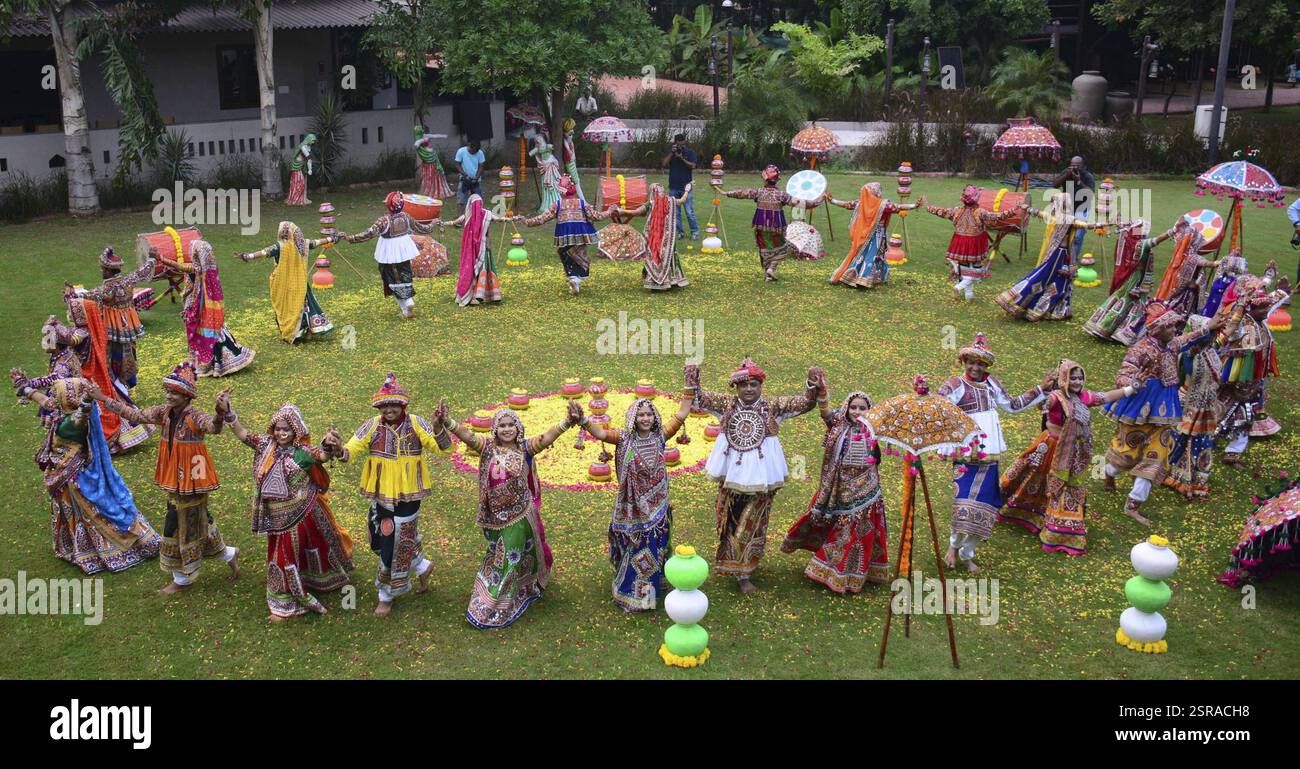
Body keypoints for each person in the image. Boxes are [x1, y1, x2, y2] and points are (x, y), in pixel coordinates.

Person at [91, 362, 240, 594]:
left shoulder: (194, 417)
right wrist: (103, 397)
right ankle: (227, 553)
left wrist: (220, 412)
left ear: (186, 396)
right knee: (198, 519)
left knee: (175, 524)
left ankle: (182, 579)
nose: (169, 396)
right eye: (168, 391)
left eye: (174, 393)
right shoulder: (164, 413)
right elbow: (135, 415)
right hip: (176, 478)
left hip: (194, 477)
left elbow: (213, 428)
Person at [434, 403, 582, 628]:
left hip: (520, 516)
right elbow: (468, 436)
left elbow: (546, 438)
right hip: (494, 520)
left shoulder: (525, 449)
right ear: (495, 429)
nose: (506, 429)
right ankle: (527, 586)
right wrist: (448, 422)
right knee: (499, 556)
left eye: (510, 424)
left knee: (509, 560)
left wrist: (567, 422)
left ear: (518, 427)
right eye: (501, 425)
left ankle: (495, 605)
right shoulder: (488, 448)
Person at [685, 357, 822, 593]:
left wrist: (812, 383)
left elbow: (805, 403)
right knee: (731, 520)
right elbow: (698, 398)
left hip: (762, 477)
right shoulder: (726, 404)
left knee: (755, 522)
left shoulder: (773, 406)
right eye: (744, 385)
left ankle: (745, 572)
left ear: (761, 387)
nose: (749, 389)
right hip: (732, 476)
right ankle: (734, 566)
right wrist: (691, 373)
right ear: (736, 387)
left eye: (754, 385)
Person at [321, 374, 449, 617]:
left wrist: (439, 427)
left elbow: (440, 447)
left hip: (409, 497)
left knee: (393, 542)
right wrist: (336, 448)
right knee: (379, 538)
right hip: (381, 495)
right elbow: (351, 449)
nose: (389, 410)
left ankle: (386, 594)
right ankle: (421, 565)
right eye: (384, 406)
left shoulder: (416, 424)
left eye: (394, 405)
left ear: (403, 406)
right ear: (379, 407)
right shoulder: (372, 425)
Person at [220, 397, 354, 621]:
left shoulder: (301, 452)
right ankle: (291, 595)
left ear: (295, 431)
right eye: (278, 429)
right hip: (276, 516)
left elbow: (321, 455)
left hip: (301, 513)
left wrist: (330, 445)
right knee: (286, 554)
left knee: (293, 554)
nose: (281, 434)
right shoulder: (265, 445)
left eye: (286, 430)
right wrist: (229, 413)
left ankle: (292, 598)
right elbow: (243, 434)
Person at [11, 376, 160, 574]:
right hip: (62, 473)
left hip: (75, 477)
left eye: (56, 395)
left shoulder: (74, 421)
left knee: (89, 514)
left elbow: (82, 413)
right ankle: (76, 547)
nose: (51, 398)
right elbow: (42, 400)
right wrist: (26, 388)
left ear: (67, 400)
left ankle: (100, 551)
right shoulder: (59, 411)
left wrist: (88, 400)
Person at [939, 332, 1054, 572]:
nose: (975, 367)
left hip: (990, 456)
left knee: (989, 503)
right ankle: (953, 545)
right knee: (965, 502)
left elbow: (1012, 405)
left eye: (980, 363)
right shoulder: (956, 385)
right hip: (967, 455)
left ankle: (967, 551)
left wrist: (1040, 389)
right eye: (971, 361)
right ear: (963, 362)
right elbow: (939, 406)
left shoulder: (992, 384)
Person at [999, 360, 1138, 555]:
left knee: (1066, 487)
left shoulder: (1083, 397)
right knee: (1032, 477)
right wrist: (1045, 395)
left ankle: (1060, 530)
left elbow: (1105, 397)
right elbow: (1044, 406)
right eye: (1072, 378)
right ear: (1064, 378)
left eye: (1080, 378)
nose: (1077, 381)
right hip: (1050, 447)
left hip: (1072, 452)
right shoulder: (1057, 397)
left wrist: (1131, 389)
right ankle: (1023, 512)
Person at [1102, 303, 1214, 523]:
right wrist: (1133, 382)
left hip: (1163, 412)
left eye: (1175, 326)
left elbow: (1189, 337)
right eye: (1170, 326)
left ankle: (1133, 504)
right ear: (1156, 329)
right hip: (1139, 408)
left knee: (1156, 456)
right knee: (1127, 454)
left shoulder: (1171, 345)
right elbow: (1123, 374)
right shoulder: (1140, 349)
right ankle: (1108, 472)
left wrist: (1213, 324)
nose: (1175, 330)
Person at [581, 395, 692, 610]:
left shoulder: (660, 437)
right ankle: (633, 596)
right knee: (639, 548)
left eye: (649, 414)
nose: (645, 418)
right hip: (633, 509)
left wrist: (689, 389)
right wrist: (583, 420)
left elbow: (680, 415)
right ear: (633, 418)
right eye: (640, 414)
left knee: (656, 547)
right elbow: (600, 433)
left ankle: (652, 591)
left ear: (655, 417)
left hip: (658, 507)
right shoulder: (624, 439)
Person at [780, 390, 890, 592]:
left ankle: (849, 574)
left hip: (867, 487)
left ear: (869, 410)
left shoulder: (873, 427)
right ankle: (836, 570)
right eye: (853, 407)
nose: (857, 411)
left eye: (862, 408)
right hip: (840, 487)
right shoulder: (838, 424)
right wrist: (821, 391)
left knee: (858, 530)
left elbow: (895, 433)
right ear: (847, 408)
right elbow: (825, 411)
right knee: (842, 528)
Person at [24, 292, 155, 453]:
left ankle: (96, 443)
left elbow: (68, 338)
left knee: (89, 408)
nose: (69, 314)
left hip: (85, 374)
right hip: (86, 372)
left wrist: (54, 325)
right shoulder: (88, 328)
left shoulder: (82, 332)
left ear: (80, 314)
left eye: (72, 311)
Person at [993, 191, 1104, 321]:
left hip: (1062, 255)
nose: (1053, 206)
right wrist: (1027, 208)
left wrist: (1027, 208)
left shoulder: (1062, 218)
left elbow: (1039, 213)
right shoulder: (1062, 217)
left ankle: (1043, 309)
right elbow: (1085, 225)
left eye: (1055, 203)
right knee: (1043, 278)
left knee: (1057, 282)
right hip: (1056, 255)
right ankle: (1026, 305)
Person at [1216, 272, 1289, 466]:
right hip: (1232, 377)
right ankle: (1209, 436)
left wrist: (1282, 292)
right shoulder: (1240, 323)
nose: (1267, 312)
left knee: (1246, 413)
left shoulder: (1260, 320)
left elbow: (1271, 303)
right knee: (1219, 406)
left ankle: (1232, 452)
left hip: (1253, 381)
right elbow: (1228, 333)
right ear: (1251, 309)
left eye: (1267, 308)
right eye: (1263, 309)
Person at [155, 240, 255, 378]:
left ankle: (210, 363)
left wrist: (161, 259)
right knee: (215, 331)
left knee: (203, 334)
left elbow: (180, 266)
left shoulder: (196, 268)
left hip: (198, 310)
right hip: (208, 309)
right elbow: (181, 269)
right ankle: (227, 359)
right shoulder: (209, 270)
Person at [1166, 314, 1238, 499]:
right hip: (1189, 404)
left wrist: (1242, 304)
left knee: (1202, 442)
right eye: (1211, 332)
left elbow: (1229, 329)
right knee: (1181, 440)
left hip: (1206, 407)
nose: (1215, 335)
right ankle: (1170, 474)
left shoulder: (1212, 349)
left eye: (1215, 332)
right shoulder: (1190, 354)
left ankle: (1194, 479)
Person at [922, 185, 1027, 300]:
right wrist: (1015, 208)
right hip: (974, 244)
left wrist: (927, 205)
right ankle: (959, 287)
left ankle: (969, 295)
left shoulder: (956, 211)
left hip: (959, 243)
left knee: (965, 269)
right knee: (975, 270)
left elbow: (939, 211)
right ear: (976, 199)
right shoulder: (980, 212)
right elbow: (997, 216)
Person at [237, 221, 336, 342]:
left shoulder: (281, 246)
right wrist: (331, 238)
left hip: (284, 284)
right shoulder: (302, 244)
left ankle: (298, 332)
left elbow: (264, 252)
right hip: (299, 283)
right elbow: (316, 242)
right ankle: (307, 331)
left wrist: (249, 256)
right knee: (305, 305)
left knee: (288, 307)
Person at [720, 165, 823, 281]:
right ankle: (771, 270)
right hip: (776, 228)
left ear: (765, 179)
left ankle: (768, 274)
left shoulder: (758, 192)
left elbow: (742, 193)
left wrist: (726, 193)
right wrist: (817, 202)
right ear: (776, 181)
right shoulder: (781, 195)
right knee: (781, 248)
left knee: (764, 248)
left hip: (761, 226)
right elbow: (799, 203)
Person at [344, 192, 436, 319]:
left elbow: (369, 234)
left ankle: (406, 306)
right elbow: (422, 228)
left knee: (390, 277)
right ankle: (407, 303)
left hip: (388, 252)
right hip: (404, 249)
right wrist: (434, 223)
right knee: (405, 274)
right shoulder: (406, 217)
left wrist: (351, 238)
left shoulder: (383, 221)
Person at [77, 245, 156, 393]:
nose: (102, 272)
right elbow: (143, 272)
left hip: (112, 329)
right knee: (129, 352)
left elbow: (87, 296)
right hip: (129, 326)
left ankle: (116, 387)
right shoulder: (128, 281)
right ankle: (125, 383)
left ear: (108, 271)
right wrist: (152, 259)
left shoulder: (107, 288)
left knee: (112, 356)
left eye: (103, 269)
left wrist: (73, 294)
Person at [1083, 220, 1178, 342]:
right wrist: (1172, 231)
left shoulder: (1130, 241)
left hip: (1135, 278)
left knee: (1123, 301)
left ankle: (1106, 327)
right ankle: (1118, 331)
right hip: (1138, 281)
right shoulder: (1141, 244)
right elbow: (1157, 240)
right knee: (1130, 304)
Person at [519, 173, 614, 294]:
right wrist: (610, 212)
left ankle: (573, 277)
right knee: (580, 255)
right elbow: (596, 216)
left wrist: (527, 222)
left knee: (564, 253)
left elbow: (543, 218)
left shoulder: (557, 204)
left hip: (564, 235)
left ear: (561, 191)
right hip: (581, 234)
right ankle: (577, 279)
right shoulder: (582, 203)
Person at [827, 183, 922, 289]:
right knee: (870, 256)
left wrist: (832, 200)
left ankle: (864, 277)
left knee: (866, 255)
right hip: (875, 236)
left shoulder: (864, 204)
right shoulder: (878, 205)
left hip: (865, 235)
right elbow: (898, 207)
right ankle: (862, 279)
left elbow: (847, 204)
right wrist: (914, 205)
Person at [610, 182, 693, 290]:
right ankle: (669, 279)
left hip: (656, 238)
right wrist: (687, 189)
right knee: (667, 255)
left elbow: (636, 212)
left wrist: (621, 211)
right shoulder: (669, 201)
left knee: (654, 256)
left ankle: (658, 279)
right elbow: (682, 200)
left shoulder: (653, 202)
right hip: (667, 237)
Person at [441, 193, 502, 306]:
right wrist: (442, 223)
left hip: (480, 248)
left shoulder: (477, 214)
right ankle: (476, 296)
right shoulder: (478, 215)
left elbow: (455, 222)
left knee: (478, 270)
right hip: (477, 249)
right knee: (476, 270)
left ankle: (479, 295)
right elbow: (499, 219)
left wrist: (512, 218)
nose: (477, 207)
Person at [1053, 155, 1096, 253]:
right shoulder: (1066, 172)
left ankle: (1073, 261)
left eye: (1077, 165)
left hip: (1082, 208)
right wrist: (1065, 176)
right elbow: (1054, 185)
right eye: (1072, 165)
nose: (1074, 168)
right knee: (1064, 233)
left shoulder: (1087, 176)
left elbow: (1090, 193)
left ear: (1083, 166)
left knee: (1077, 236)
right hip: (1068, 208)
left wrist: (1078, 181)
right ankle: (1063, 256)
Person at [661, 133, 699, 240]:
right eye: (677, 144)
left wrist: (681, 158)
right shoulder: (671, 153)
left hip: (686, 187)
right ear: (675, 143)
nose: (679, 146)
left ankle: (695, 232)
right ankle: (680, 232)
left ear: (684, 142)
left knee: (689, 211)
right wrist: (672, 153)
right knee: (675, 213)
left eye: (681, 144)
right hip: (673, 187)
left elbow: (693, 166)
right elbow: (663, 164)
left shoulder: (690, 152)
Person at [413, 125, 453, 200]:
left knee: (435, 174)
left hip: (432, 157)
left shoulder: (426, 136)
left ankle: (437, 190)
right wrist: (421, 141)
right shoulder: (421, 138)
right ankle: (431, 191)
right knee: (430, 175)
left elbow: (435, 136)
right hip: (428, 159)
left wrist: (444, 136)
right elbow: (416, 144)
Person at [529, 134, 562, 214]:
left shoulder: (548, 146)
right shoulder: (538, 148)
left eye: (539, 138)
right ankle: (547, 204)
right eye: (536, 140)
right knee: (546, 185)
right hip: (544, 167)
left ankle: (556, 202)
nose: (538, 140)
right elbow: (530, 154)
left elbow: (552, 147)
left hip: (551, 165)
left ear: (542, 138)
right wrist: (536, 149)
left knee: (553, 184)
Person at [454, 140, 486, 216]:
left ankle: (478, 217)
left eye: (477, 151)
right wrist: (464, 174)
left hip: (476, 181)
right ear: (470, 147)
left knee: (478, 200)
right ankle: (460, 218)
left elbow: (481, 166)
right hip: (464, 180)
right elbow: (457, 163)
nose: (475, 152)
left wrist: (476, 178)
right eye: (474, 151)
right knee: (461, 200)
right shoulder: (461, 151)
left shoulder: (480, 153)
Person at [285, 134, 316, 206]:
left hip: (303, 164)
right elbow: (308, 157)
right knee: (299, 182)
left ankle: (303, 198)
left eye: (314, 141)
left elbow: (309, 159)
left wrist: (310, 169)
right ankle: (296, 199)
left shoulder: (308, 147)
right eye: (312, 140)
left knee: (304, 181)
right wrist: (309, 168)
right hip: (297, 165)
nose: (313, 142)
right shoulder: (303, 146)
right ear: (308, 139)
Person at [561, 118, 586, 202]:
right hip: (570, 164)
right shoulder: (565, 141)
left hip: (572, 163)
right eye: (570, 132)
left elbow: (572, 153)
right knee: (576, 182)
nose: (572, 133)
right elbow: (570, 152)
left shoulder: (569, 141)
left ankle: (576, 198)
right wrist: (569, 147)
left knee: (575, 181)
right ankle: (583, 200)